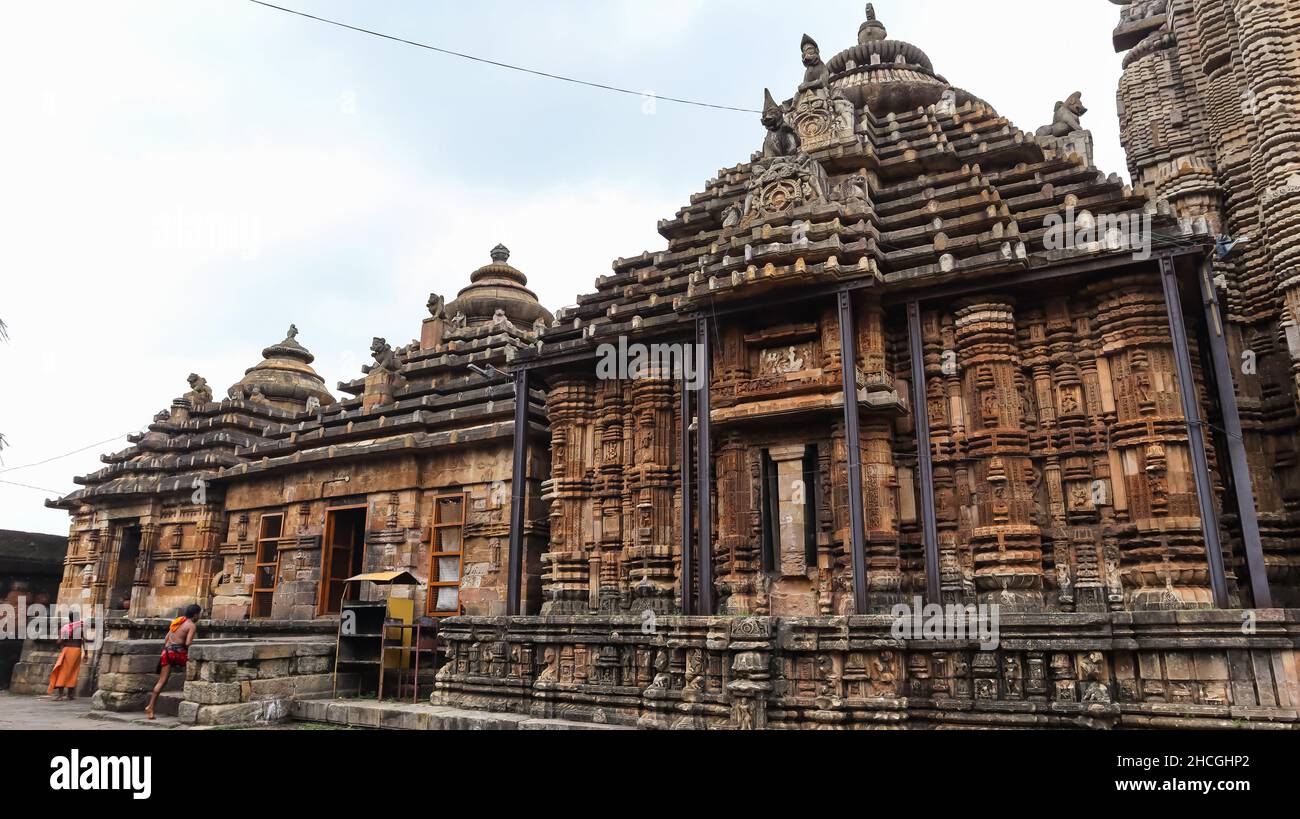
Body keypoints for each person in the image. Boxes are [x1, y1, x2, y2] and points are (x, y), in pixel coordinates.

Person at [144, 604, 200, 720]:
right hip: (178, 653)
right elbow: (188, 643)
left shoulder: (178, 621)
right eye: (199, 614)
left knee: (162, 681)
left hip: (167, 652)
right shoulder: (191, 625)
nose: (199, 616)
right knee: (196, 670)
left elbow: (166, 640)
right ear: (195, 615)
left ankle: (150, 707)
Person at [47, 617, 86, 701]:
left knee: (62, 671)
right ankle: (70, 695)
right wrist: (85, 653)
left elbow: (60, 641)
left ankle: (60, 696)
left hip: (68, 650)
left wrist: (58, 642)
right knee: (73, 671)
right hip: (77, 651)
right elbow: (83, 641)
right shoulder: (81, 628)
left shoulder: (66, 628)